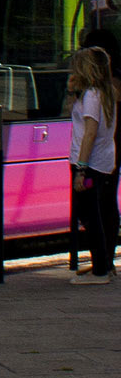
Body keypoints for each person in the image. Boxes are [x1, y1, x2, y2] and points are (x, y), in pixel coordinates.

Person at [68, 43, 120, 285]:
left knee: (88, 214)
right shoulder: (106, 91)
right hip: (103, 160)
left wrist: (81, 168)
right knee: (97, 212)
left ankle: (99, 270)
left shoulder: (92, 96)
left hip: (89, 163)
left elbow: (89, 132)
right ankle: (104, 266)